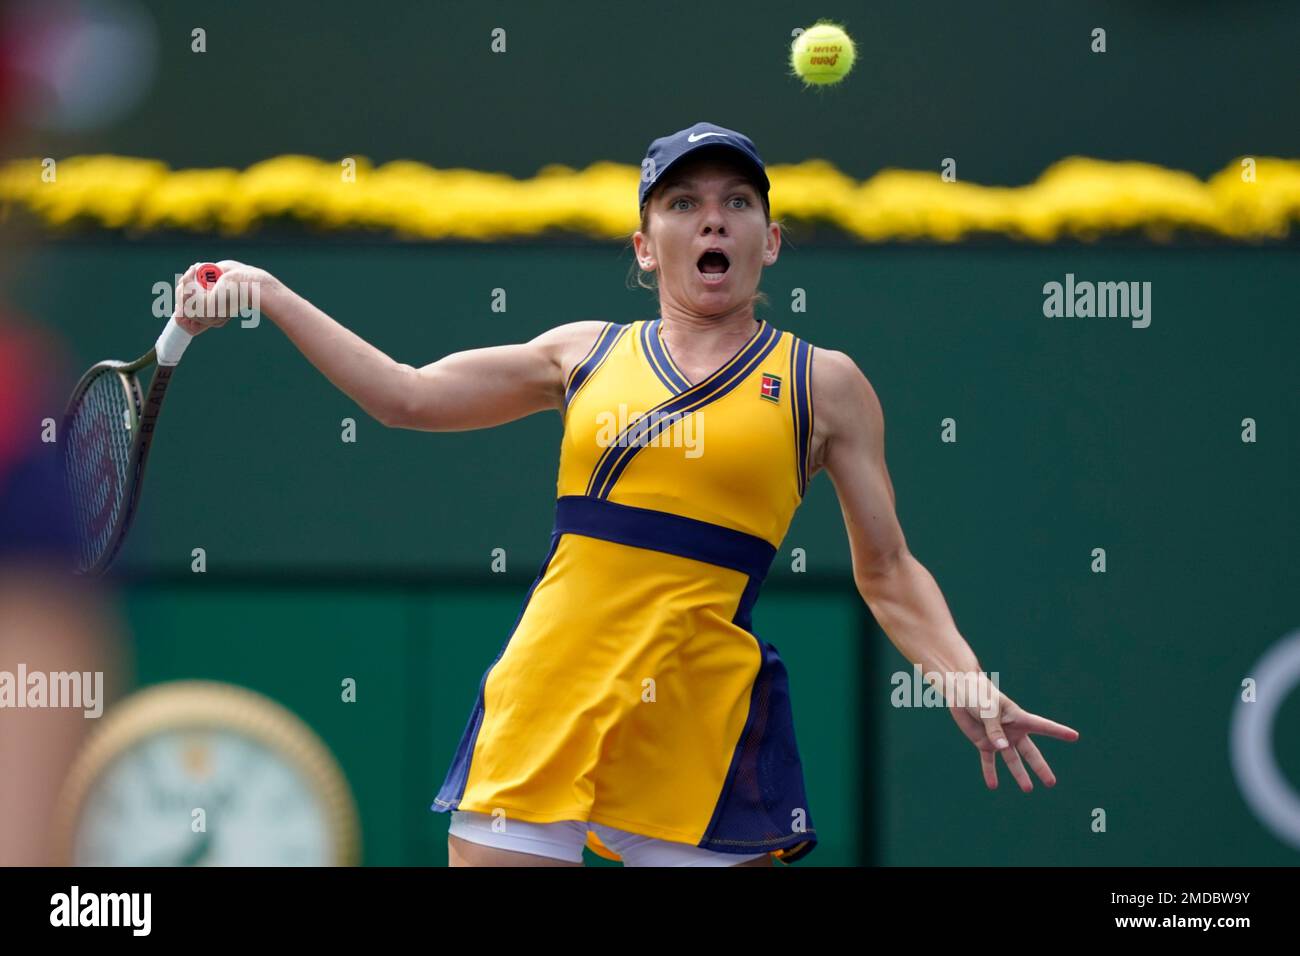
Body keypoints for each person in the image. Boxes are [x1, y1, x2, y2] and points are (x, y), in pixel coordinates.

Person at [173, 121, 1079, 867]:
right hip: (546, 699)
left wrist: (959, 671)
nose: (712, 222)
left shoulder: (824, 384)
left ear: (771, 240)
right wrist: (272, 295)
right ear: (647, 248)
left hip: (699, 722)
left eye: (736, 204)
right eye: (683, 205)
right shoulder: (582, 352)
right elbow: (404, 395)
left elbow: (888, 569)